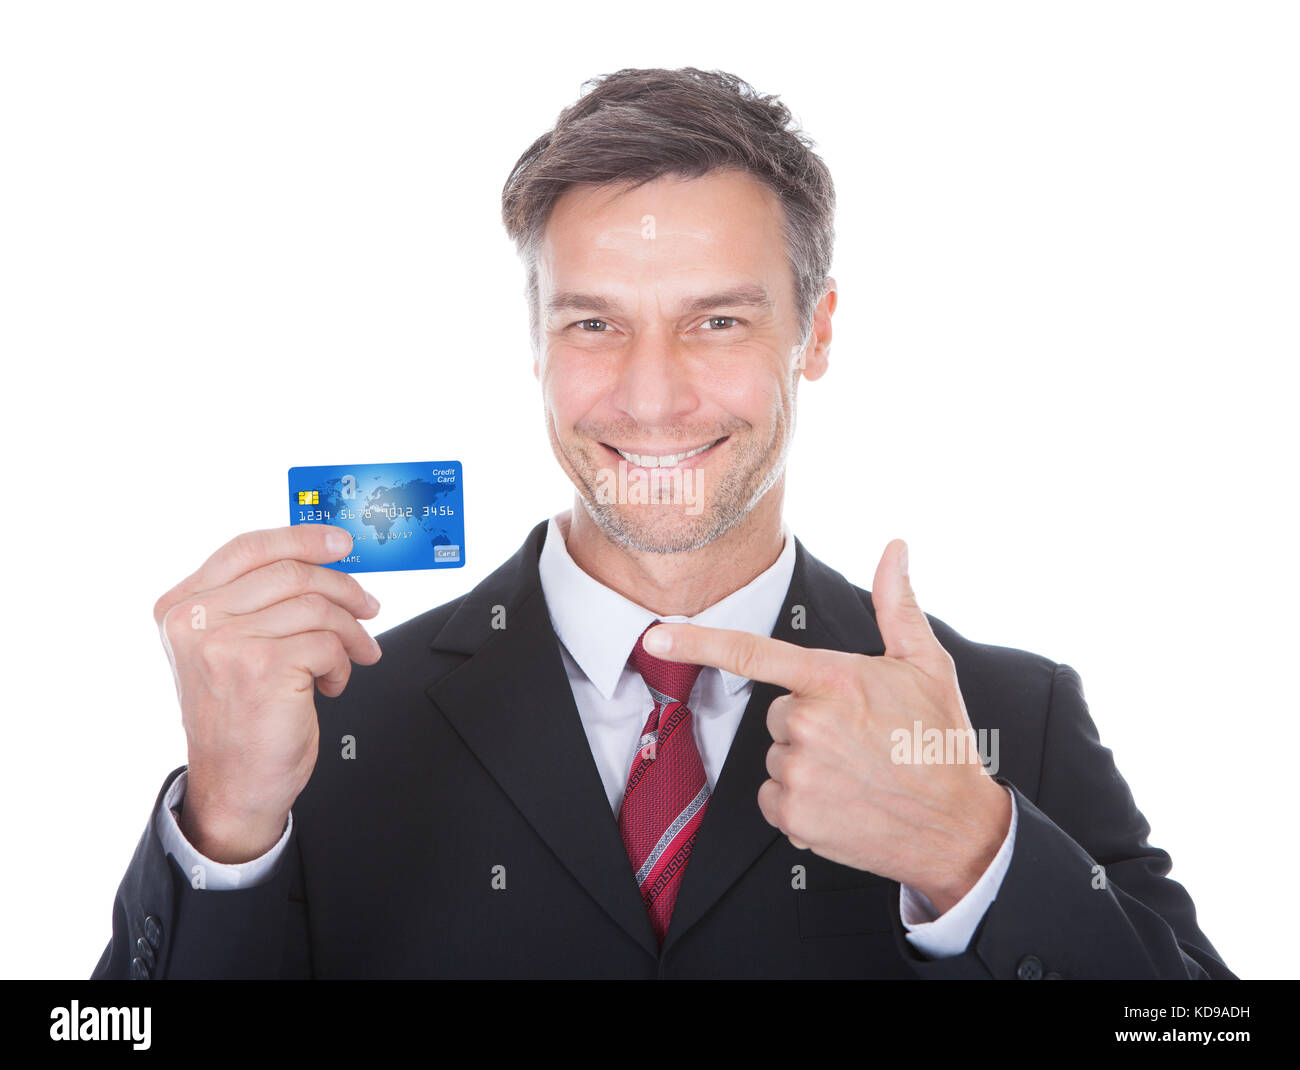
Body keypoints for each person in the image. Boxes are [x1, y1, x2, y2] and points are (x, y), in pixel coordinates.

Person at [92, 67, 1232, 979]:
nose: (648, 395)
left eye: (718, 321)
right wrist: (225, 829)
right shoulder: (320, 725)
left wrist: (970, 851)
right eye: (593, 323)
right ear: (534, 336)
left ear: (816, 332)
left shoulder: (1000, 719)